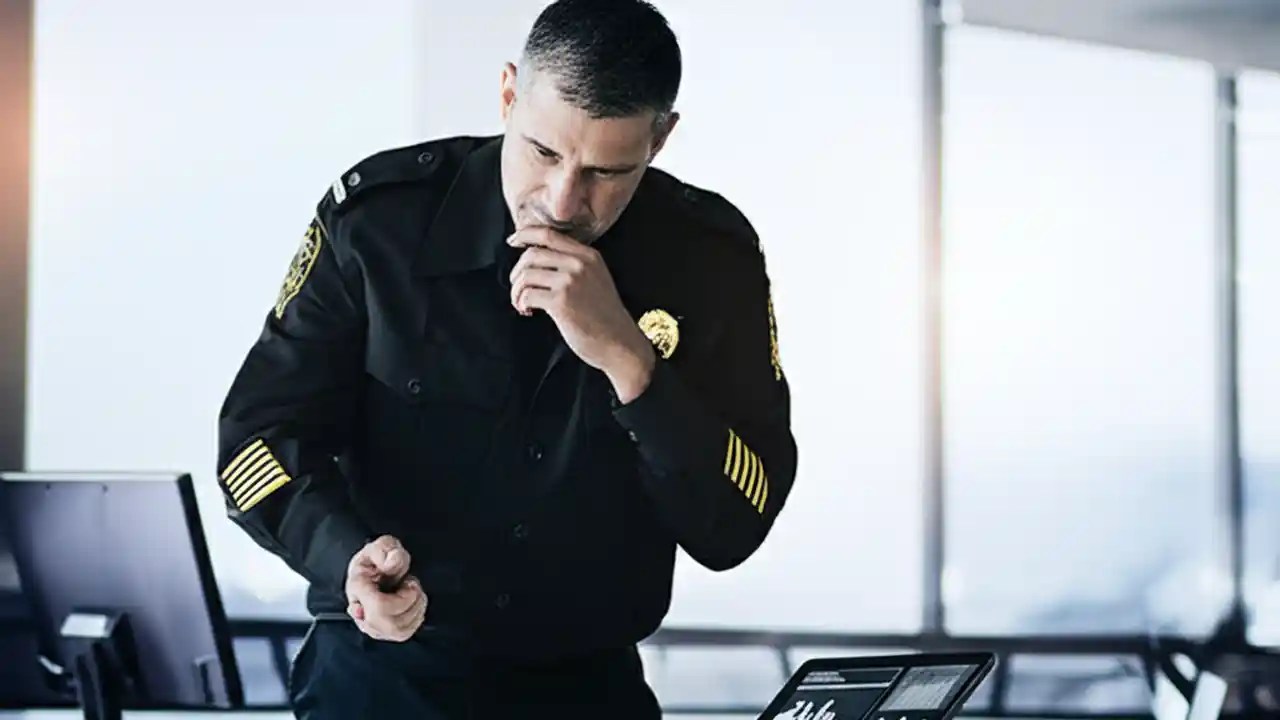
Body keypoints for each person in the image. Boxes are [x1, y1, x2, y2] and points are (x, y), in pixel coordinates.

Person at [216, 0, 797, 716]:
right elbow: (255, 443)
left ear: (661, 137)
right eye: (544, 153)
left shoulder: (711, 259)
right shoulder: (381, 226)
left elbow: (739, 518)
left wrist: (629, 360)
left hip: (588, 692)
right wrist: (345, 558)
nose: (561, 200)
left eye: (606, 172)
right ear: (506, 93)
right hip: (384, 682)